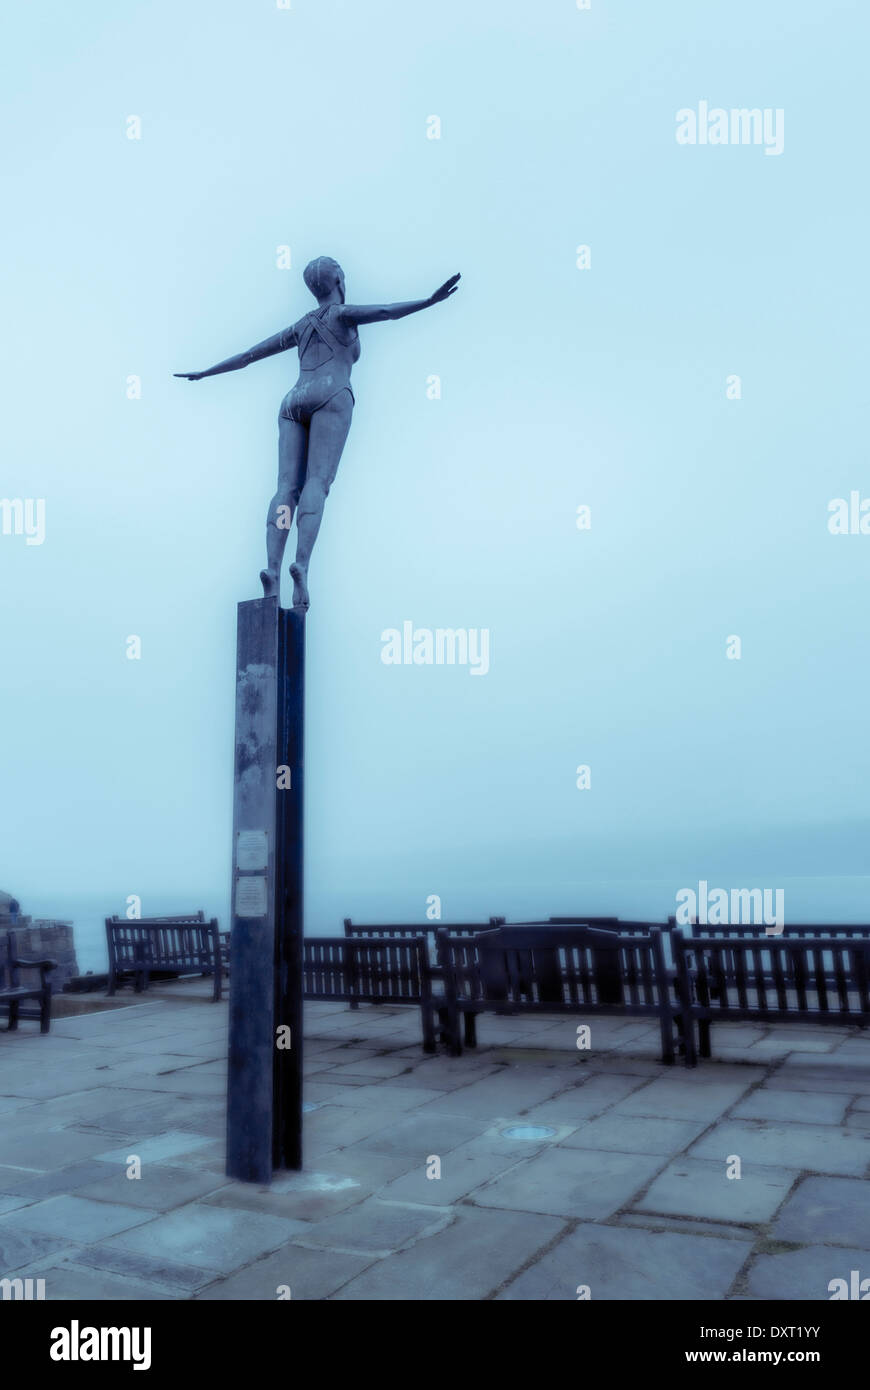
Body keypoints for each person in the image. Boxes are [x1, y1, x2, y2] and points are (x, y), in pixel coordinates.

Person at [176, 259, 460, 608]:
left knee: (285, 487)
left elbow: (250, 356)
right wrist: (428, 302)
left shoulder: (301, 326)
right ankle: (303, 565)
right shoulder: (342, 314)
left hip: (293, 401)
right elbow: (386, 311)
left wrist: (206, 372)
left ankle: (272, 569)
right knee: (317, 483)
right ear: (339, 279)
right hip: (332, 394)